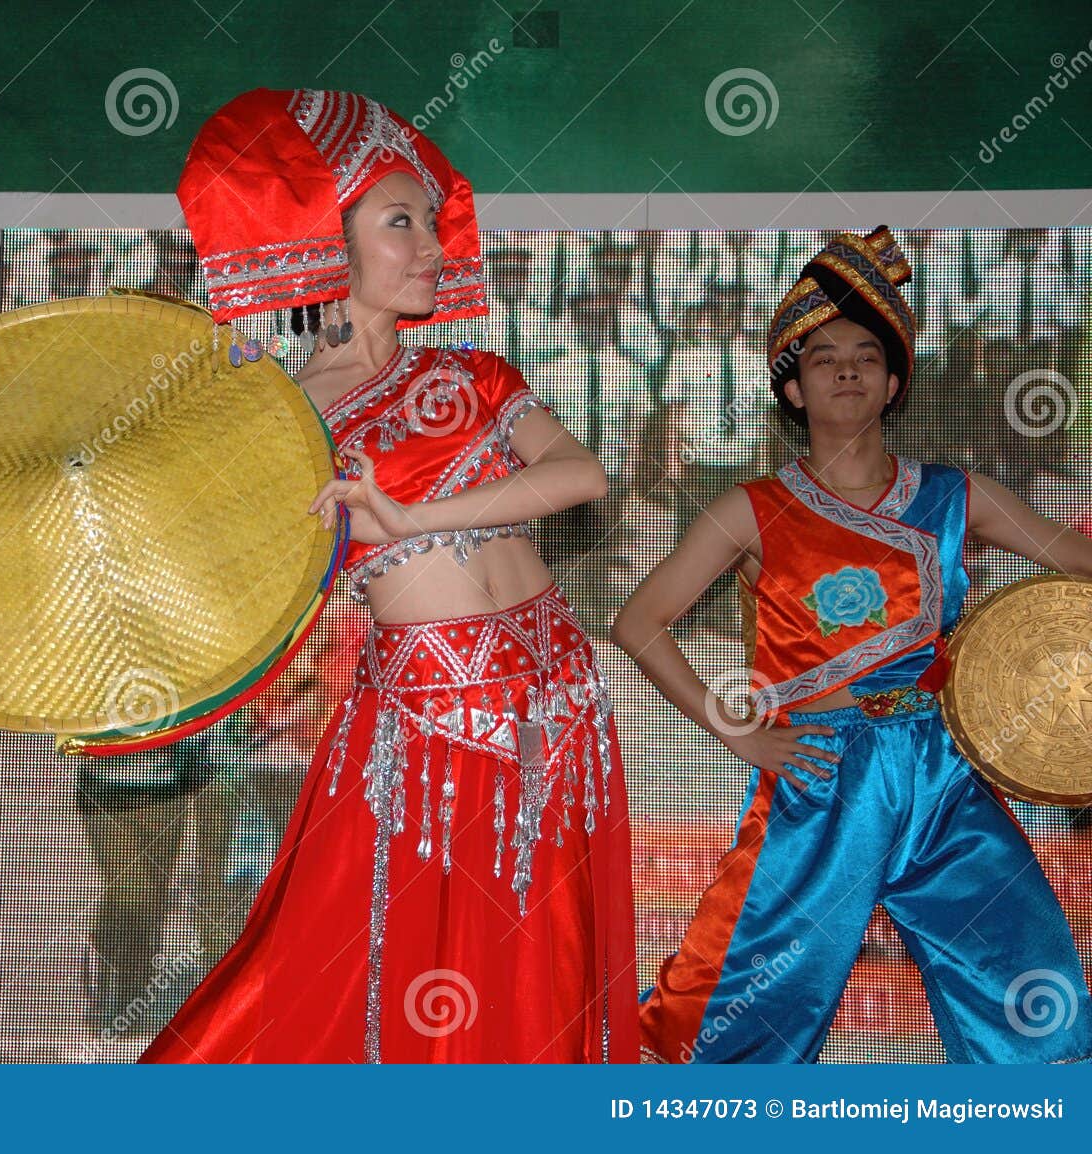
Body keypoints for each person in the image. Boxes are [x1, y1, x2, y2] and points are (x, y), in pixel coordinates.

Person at [139, 88, 637, 1063]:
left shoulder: (477, 373)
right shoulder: (278, 421)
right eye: (398, 222)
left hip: (563, 700)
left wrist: (414, 516)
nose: (430, 246)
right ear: (326, 243)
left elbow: (579, 475)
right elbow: (238, 581)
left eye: (430, 223)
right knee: (364, 976)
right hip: (429, 720)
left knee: (544, 967)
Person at [613, 225, 1092, 1063]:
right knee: (746, 999)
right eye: (822, 356)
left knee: (1027, 973)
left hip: (946, 763)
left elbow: (1073, 560)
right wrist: (734, 729)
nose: (844, 368)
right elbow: (637, 622)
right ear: (792, 388)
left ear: (894, 379)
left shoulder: (954, 494)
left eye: (866, 354)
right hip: (823, 767)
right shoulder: (751, 508)